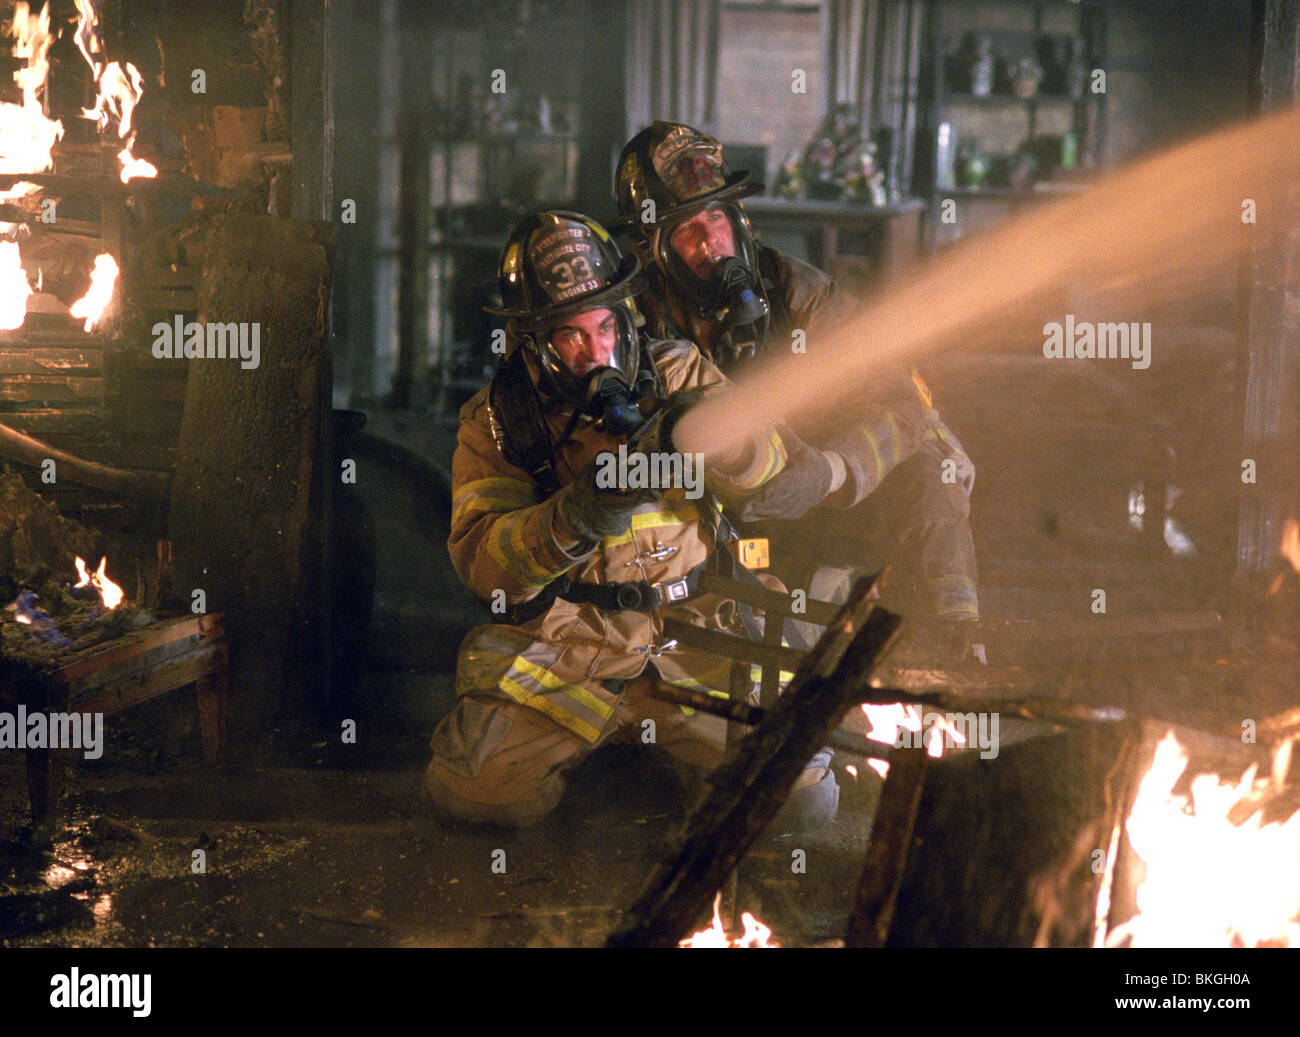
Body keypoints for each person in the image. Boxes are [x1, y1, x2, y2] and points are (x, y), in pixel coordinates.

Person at [423, 210, 842, 829]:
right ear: (535, 341)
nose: (600, 355)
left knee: (798, 804)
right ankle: (615, 753)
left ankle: (674, 761)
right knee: (477, 799)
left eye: (606, 328)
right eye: (572, 337)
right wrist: (573, 516)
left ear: (627, 316)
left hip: (700, 627)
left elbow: (770, 472)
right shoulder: (498, 419)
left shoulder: (679, 371)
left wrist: (713, 436)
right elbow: (489, 570)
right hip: (573, 640)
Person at [612, 121, 983, 659]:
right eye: (686, 230)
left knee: (932, 468)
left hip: (825, 496)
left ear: (738, 220)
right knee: (766, 668)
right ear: (656, 248)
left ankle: (958, 650)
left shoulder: (797, 291)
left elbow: (901, 405)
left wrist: (831, 471)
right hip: (713, 528)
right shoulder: (632, 323)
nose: (711, 243)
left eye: (716, 217)